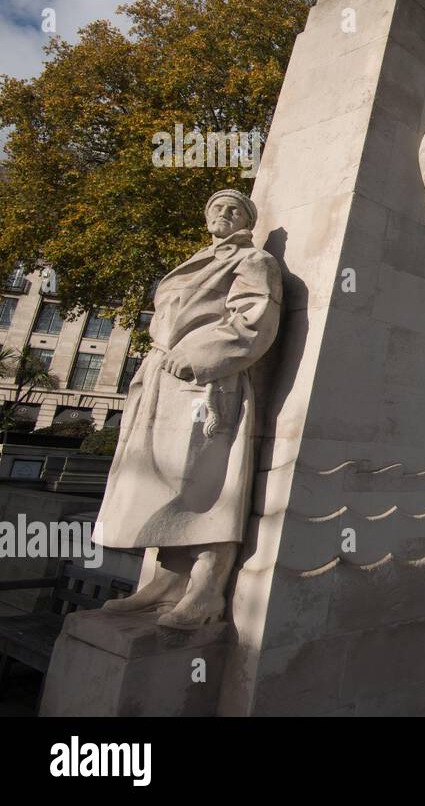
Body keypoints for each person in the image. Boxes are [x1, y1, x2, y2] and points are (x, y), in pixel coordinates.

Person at [96, 189, 282, 630]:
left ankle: (205, 591)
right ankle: (166, 581)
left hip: (206, 381)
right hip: (164, 379)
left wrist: (200, 354)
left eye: (235, 208)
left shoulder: (254, 261)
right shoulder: (198, 260)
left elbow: (254, 318)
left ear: (247, 222)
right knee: (163, 484)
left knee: (206, 482)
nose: (224, 212)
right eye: (217, 206)